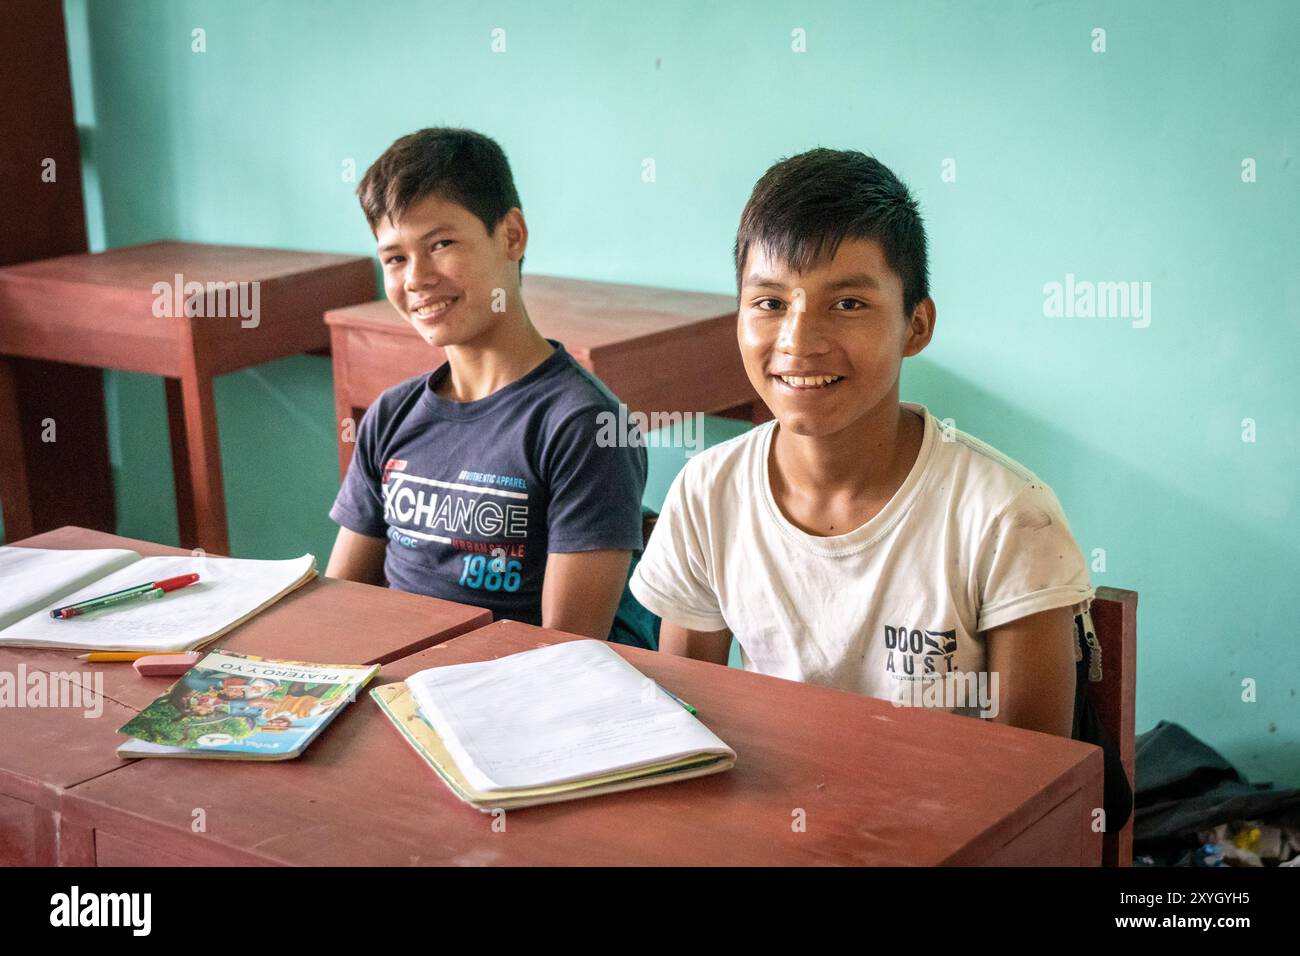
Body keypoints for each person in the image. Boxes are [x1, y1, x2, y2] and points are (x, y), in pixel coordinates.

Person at [630, 148, 1093, 735]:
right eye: (770, 303)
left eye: (848, 304)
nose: (799, 341)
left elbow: (1037, 786)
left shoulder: (1007, 517)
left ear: (916, 326)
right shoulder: (707, 492)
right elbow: (687, 728)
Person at [326, 128, 648, 643]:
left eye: (442, 244)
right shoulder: (390, 416)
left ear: (512, 236)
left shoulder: (583, 425)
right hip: (392, 685)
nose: (416, 278)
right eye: (395, 258)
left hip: (511, 701)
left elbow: (566, 650)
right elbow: (340, 604)